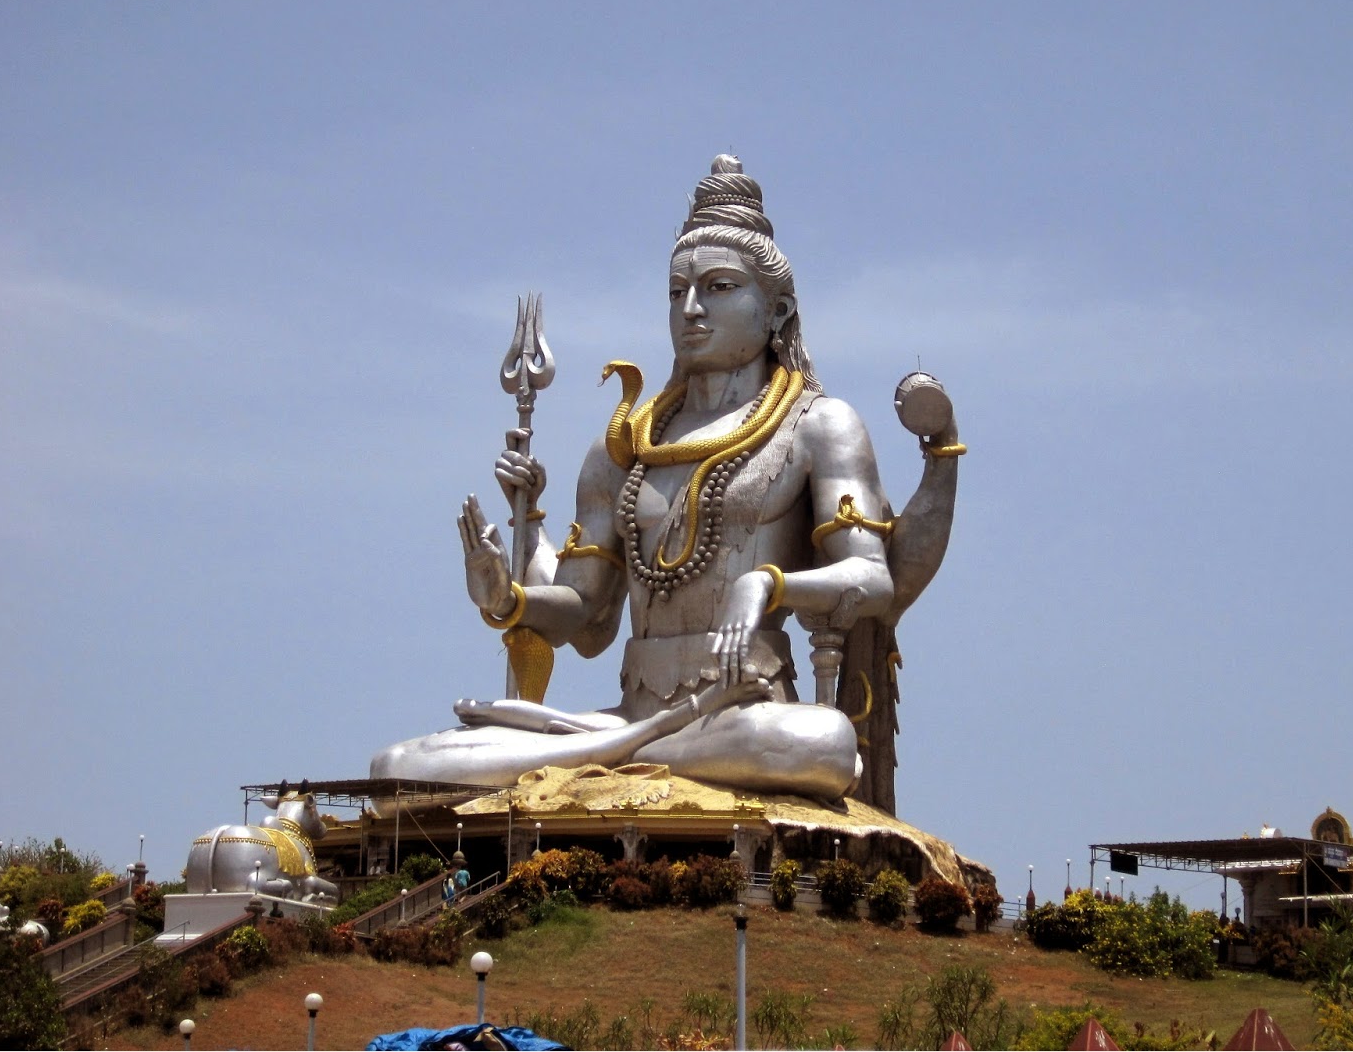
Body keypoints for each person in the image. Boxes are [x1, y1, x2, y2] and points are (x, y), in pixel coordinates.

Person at [370, 156, 960, 802]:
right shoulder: (624, 445)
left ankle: (607, 753)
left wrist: (770, 583)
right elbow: (589, 618)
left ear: (779, 309)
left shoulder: (817, 424)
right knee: (401, 762)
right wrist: (505, 597)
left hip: (747, 704)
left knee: (818, 743)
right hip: (632, 707)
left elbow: (870, 578)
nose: (692, 309)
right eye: (677, 292)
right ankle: (633, 745)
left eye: (719, 286)